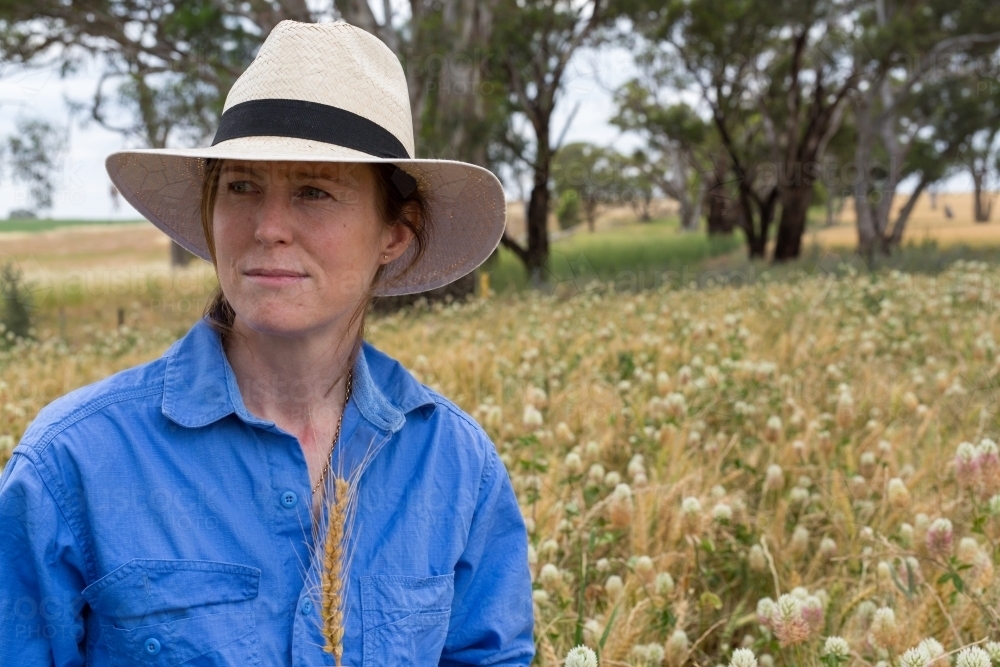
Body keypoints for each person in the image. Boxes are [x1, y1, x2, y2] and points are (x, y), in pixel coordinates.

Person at [0, 19, 534, 666]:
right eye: (242, 186)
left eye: (314, 190)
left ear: (396, 232)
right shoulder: (70, 464)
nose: (269, 225)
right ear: (210, 209)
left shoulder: (454, 464)